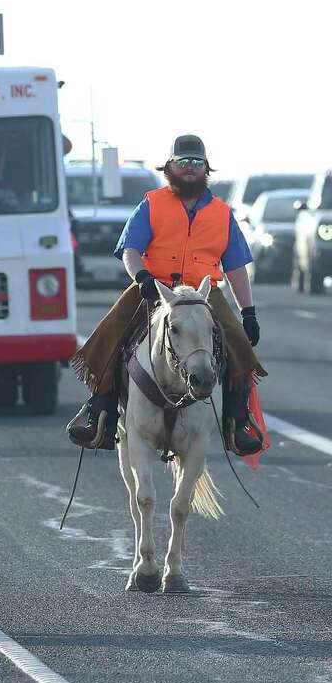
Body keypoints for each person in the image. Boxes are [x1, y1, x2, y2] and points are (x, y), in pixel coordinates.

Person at [67, 134, 266, 456]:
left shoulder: (222, 213)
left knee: (241, 349)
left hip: (204, 293)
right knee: (109, 333)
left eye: (196, 163)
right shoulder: (152, 203)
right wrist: (142, 277)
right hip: (153, 286)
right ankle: (98, 410)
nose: (189, 168)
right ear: (170, 166)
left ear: (206, 169)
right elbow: (131, 249)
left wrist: (249, 313)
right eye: (182, 162)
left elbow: (237, 268)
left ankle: (238, 421)